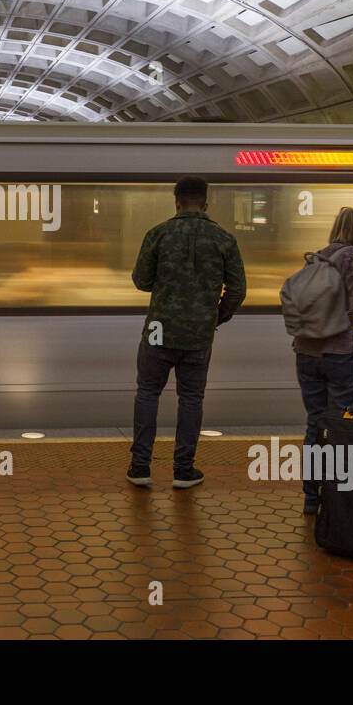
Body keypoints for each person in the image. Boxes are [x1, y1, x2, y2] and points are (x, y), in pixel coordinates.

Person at [128, 175, 246, 489]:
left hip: (157, 330)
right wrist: (215, 317)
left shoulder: (158, 234)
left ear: (177, 202)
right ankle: (183, 470)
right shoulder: (224, 239)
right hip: (198, 335)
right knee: (191, 398)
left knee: (147, 393)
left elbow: (141, 281)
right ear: (205, 204)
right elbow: (238, 290)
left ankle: (140, 467)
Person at [294, 207, 353, 514]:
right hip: (343, 353)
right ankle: (336, 498)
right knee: (344, 427)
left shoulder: (317, 257)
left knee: (316, 423)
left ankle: (311, 496)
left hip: (307, 352)